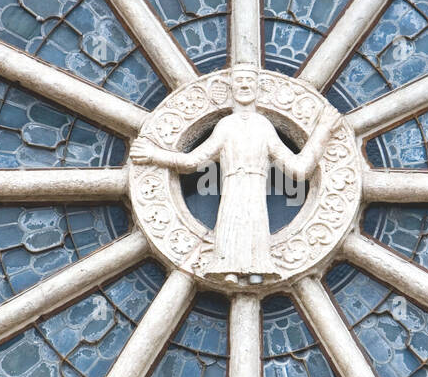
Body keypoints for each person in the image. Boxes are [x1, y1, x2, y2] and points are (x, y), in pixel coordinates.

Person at [130, 66, 338, 284]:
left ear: (259, 88)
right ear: (230, 88)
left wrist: (322, 131)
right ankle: (228, 266)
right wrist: (154, 154)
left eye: (250, 80)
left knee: (253, 221)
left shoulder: (263, 125)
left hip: (256, 186)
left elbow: (300, 169)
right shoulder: (226, 125)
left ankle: (257, 267)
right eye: (239, 81)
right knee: (233, 221)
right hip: (233, 185)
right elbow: (193, 161)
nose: (245, 85)